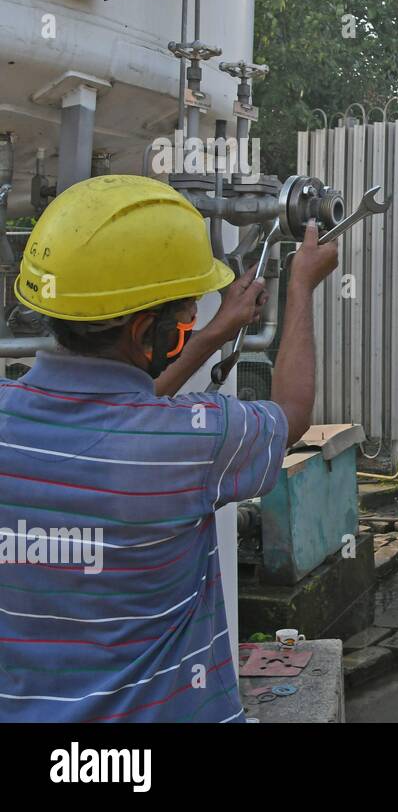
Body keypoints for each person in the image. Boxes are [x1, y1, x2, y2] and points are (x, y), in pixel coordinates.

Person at [0, 175, 337, 721]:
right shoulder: (196, 441)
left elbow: (119, 421)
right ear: (141, 333)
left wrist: (210, 334)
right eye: (182, 321)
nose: (187, 325)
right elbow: (291, 416)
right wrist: (302, 286)